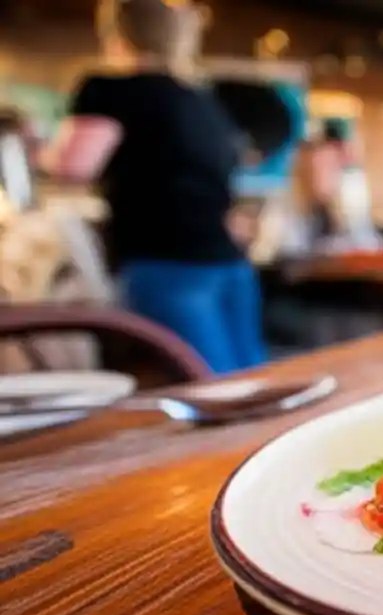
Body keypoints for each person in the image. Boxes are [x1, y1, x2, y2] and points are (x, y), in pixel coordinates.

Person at [41, 0, 265, 374]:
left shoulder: (111, 91)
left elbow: (74, 166)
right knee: (254, 380)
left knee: (211, 390)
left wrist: (38, 151)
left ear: (116, 35)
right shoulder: (202, 101)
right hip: (229, 263)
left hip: (166, 262)